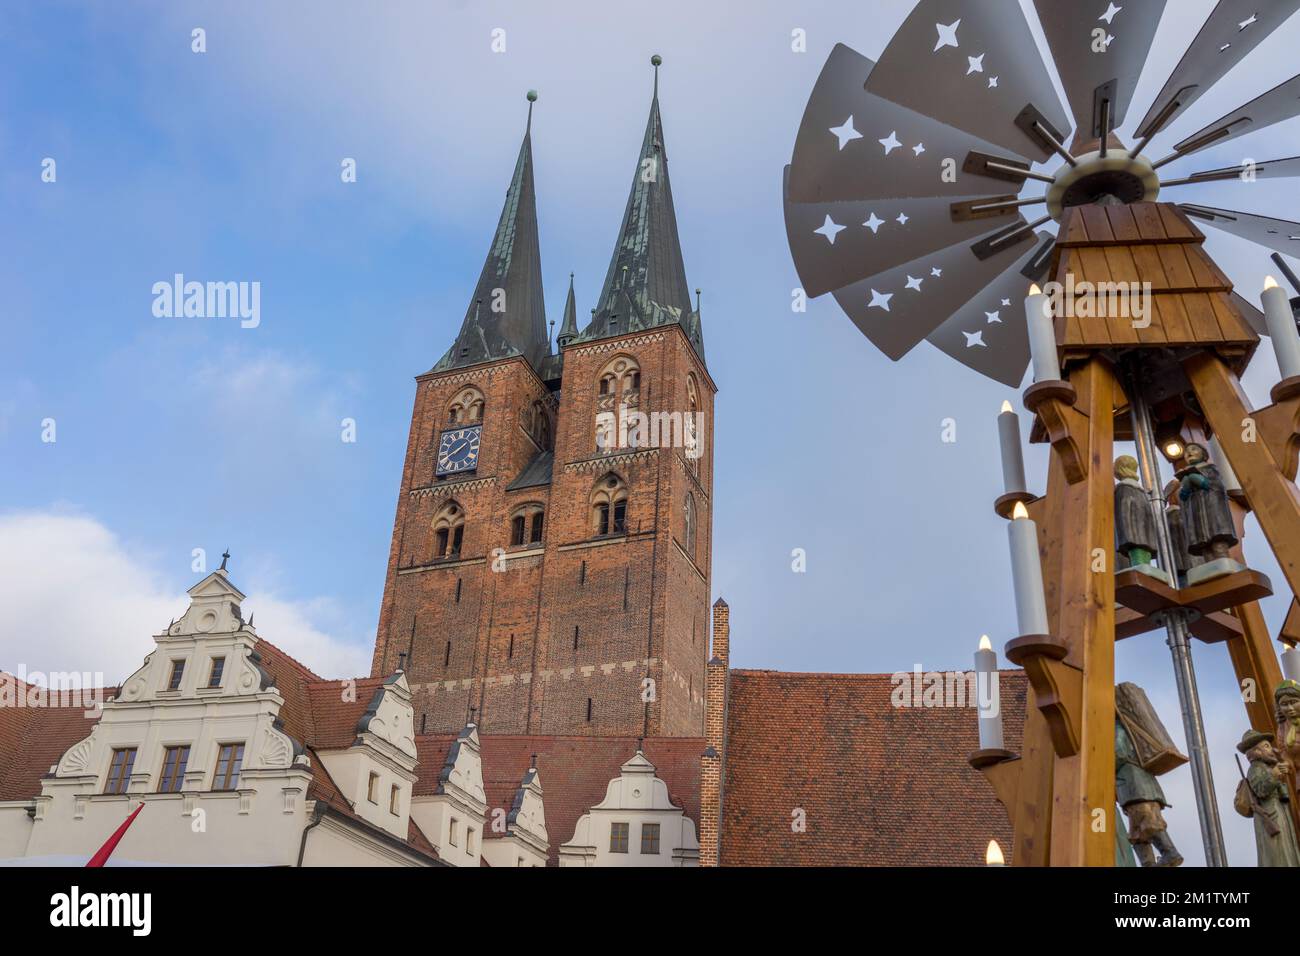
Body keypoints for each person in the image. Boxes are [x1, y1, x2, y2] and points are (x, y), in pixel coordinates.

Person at [1116, 717, 1182, 866]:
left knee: (1149, 822)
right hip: (1133, 789)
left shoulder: (1119, 728)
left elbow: (1119, 751)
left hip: (1137, 787)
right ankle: (1148, 864)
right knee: (1137, 833)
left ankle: (1170, 853)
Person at [1237, 729, 1300, 867]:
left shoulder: (1267, 766)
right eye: (1266, 746)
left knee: (1287, 847)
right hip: (1270, 813)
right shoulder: (1255, 768)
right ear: (1256, 752)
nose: (1271, 749)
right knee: (1278, 850)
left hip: (1278, 811)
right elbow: (1261, 789)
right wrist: (1275, 774)